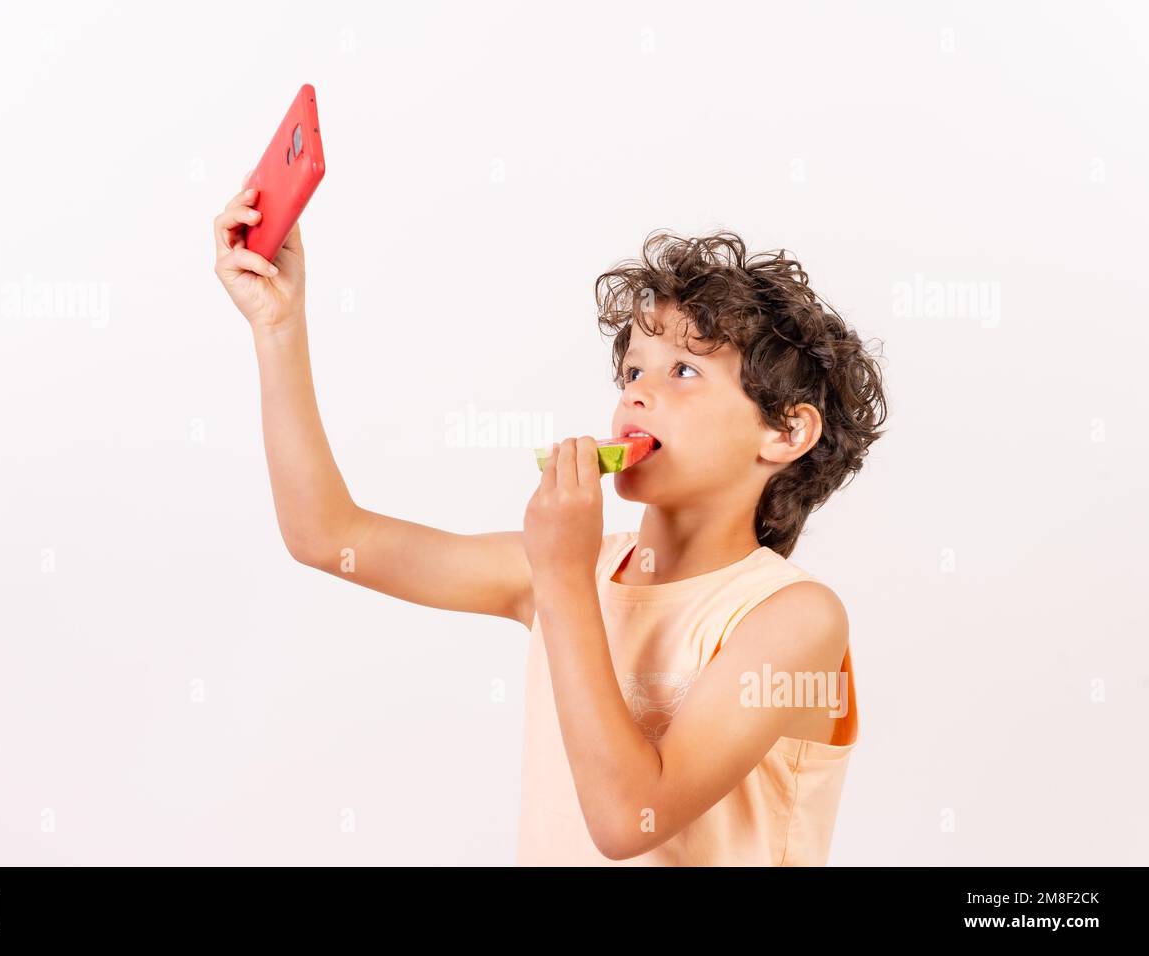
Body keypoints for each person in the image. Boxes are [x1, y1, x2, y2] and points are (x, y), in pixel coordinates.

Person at [213, 186, 888, 865]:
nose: (637, 393)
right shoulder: (570, 569)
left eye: (684, 370)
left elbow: (628, 820)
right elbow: (327, 536)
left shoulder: (794, 617)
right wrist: (277, 328)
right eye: (631, 371)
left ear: (786, 430)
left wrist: (563, 577)